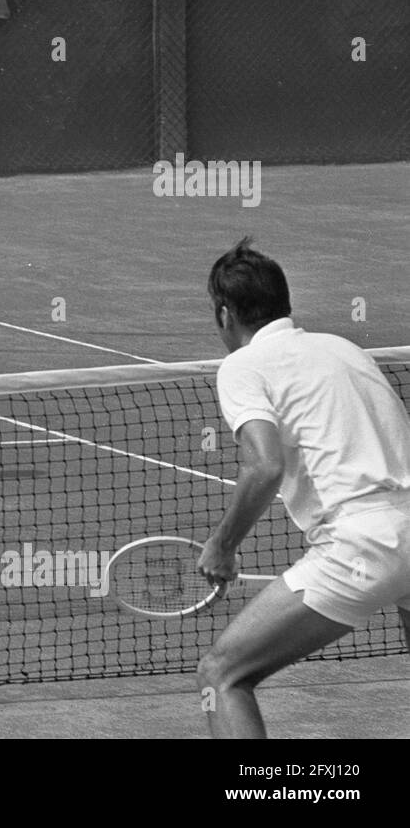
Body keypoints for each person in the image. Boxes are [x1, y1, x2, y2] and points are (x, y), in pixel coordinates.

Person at [196, 238, 410, 738]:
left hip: (361, 544)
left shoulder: (242, 367)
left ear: (225, 314)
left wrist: (222, 546)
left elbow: (264, 467)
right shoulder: (347, 350)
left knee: (222, 674)